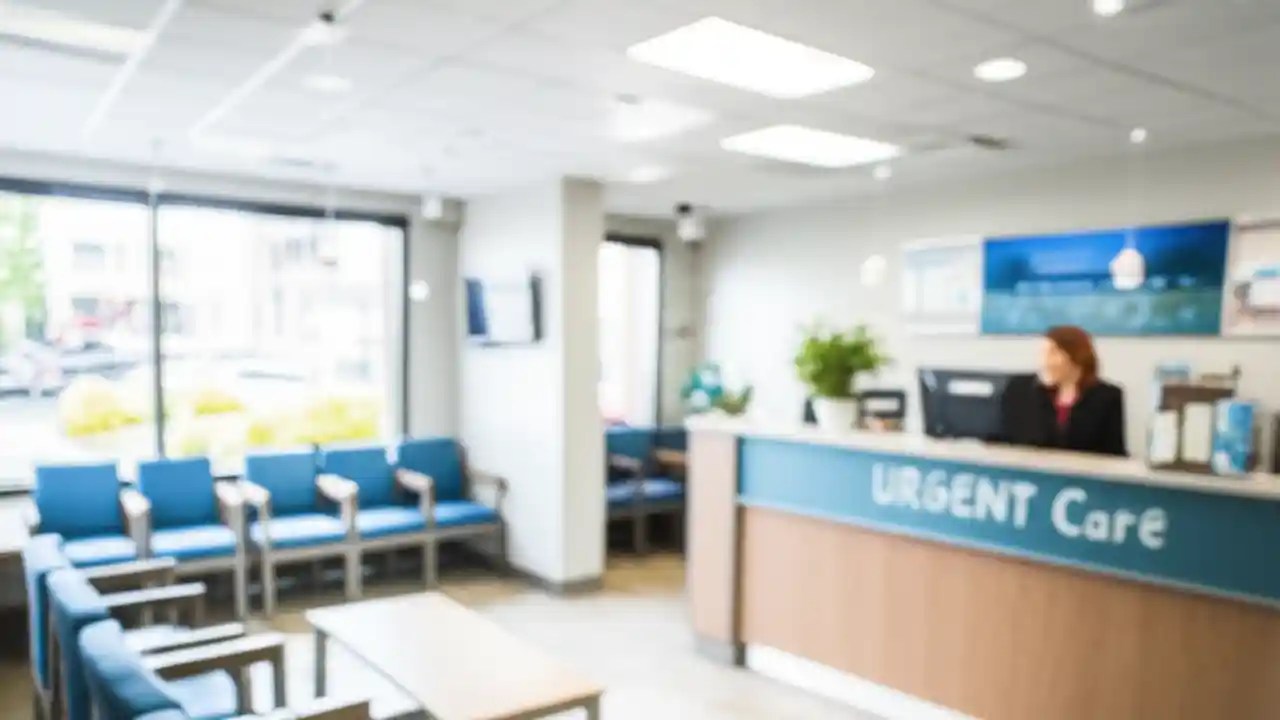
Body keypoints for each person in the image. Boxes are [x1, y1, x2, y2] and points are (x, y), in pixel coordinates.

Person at [1000, 325, 1127, 456]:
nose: (1044, 361)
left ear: (1077, 356)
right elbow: (1006, 443)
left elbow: (1113, 454)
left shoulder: (1107, 397)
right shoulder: (1020, 389)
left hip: (1082, 473)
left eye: (1052, 353)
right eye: (1042, 353)